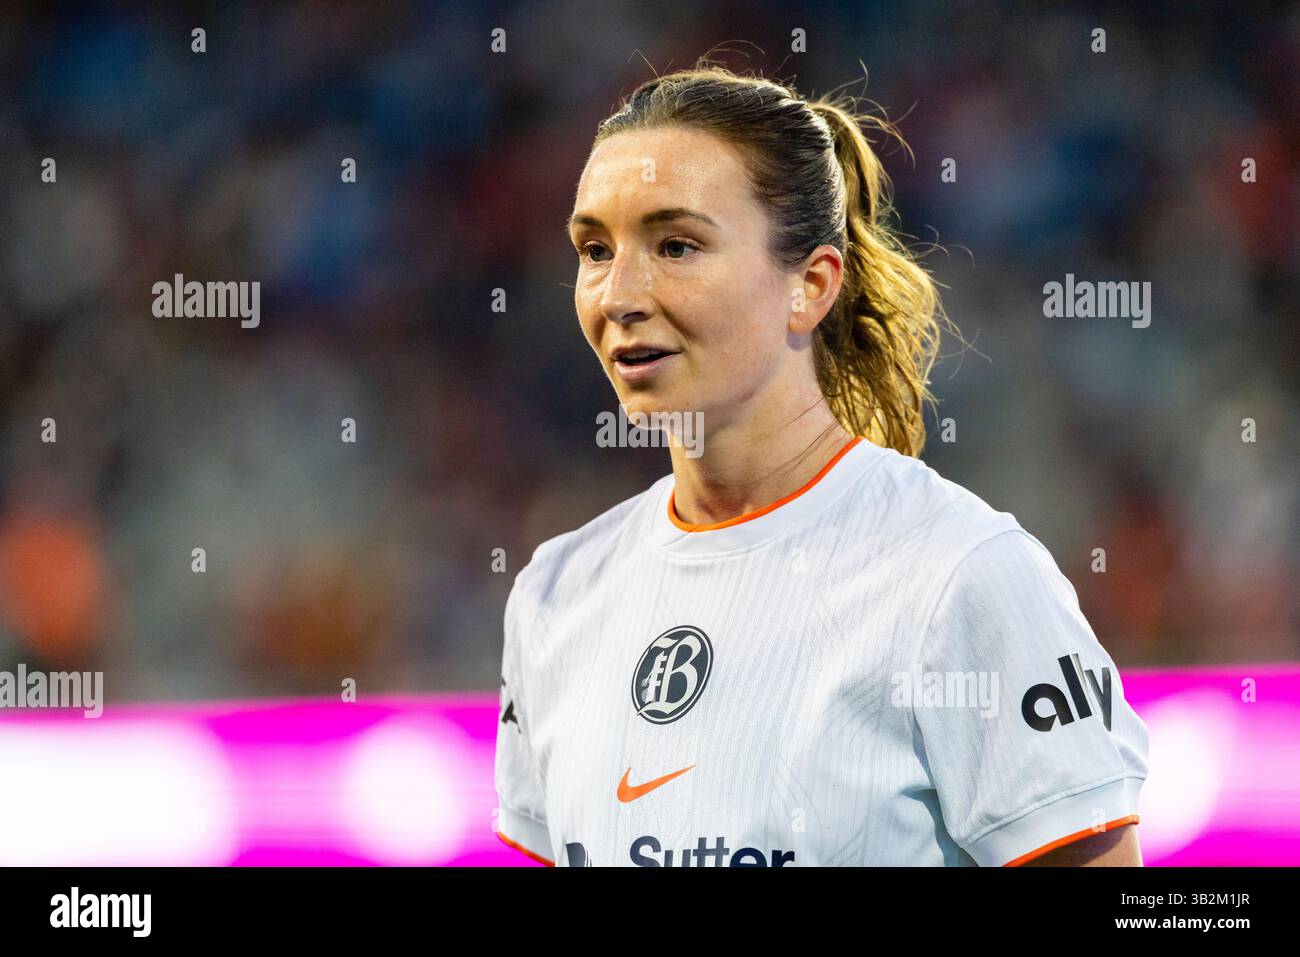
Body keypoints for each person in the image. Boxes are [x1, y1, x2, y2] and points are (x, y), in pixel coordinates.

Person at [494, 64, 1147, 866]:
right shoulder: (554, 597)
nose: (619, 293)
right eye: (595, 249)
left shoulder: (961, 577)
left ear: (809, 285)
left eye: (676, 244)